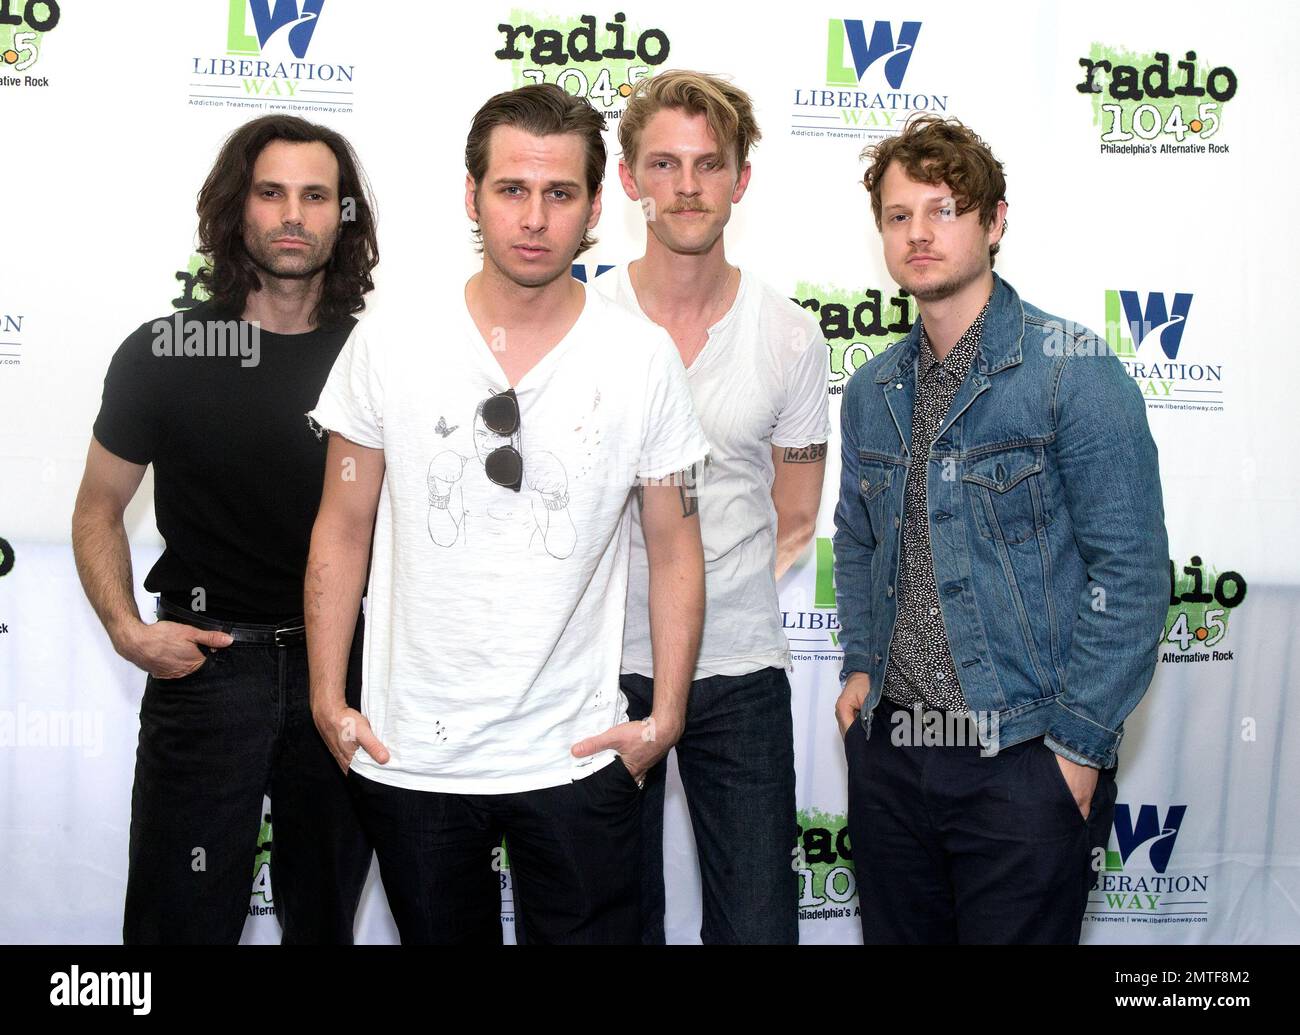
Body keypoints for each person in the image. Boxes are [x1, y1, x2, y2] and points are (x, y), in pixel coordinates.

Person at [304, 83, 709, 945]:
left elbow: (675, 544)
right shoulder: (390, 339)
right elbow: (341, 524)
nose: (534, 217)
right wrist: (326, 698)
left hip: (576, 754)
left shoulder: (639, 358)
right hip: (413, 755)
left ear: (596, 205)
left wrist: (665, 713)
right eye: (511, 190)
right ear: (471, 196)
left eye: (560, 194)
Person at [832, 114, 1168, 944]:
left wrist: (1077, 752)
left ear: (995, 221)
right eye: (899, 214)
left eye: (944, 209)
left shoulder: (1073, 371)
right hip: (896, 750)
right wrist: (860, 666)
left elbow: (1130, 576)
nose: (919, 232)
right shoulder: (873, 390)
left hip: (1022, 756)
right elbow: (858, 537)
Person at [71, 115, 379, 944]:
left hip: (342, 672)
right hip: (208, 670)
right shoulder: (164, 352)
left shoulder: (377, 359)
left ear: (343, 216)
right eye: (271, 192)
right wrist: (128, 630)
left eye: (316, 196)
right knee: (179, 923)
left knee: (324, 923)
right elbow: (98, 506)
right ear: (235, 209)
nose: (292, 213)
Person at [599, 70, 829, 944]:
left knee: (759, 926)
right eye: (663, 164)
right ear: (628, 179)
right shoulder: (585, 320)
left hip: (741, 666)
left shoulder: (790, 335)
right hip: (601, 665)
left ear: (742, 178)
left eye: (708, 164)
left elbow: (797, 511)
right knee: (613, 922)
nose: (687, 186)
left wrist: (713, 590)